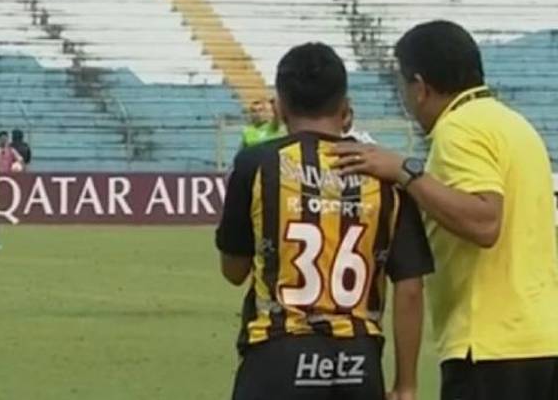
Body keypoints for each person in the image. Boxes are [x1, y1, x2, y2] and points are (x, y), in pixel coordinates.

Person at [333, 20, 558, 400]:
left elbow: (485, 222)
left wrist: (404, 171)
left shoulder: (459, 129)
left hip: (490, 346)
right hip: (543, 340)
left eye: (404, 86)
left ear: (420, 87)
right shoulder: (515, 125)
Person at [216, 42, 432, 400]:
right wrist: (405, 385)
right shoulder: (386, 173)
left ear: (280, 107)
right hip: (358, 362)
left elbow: (234, 270)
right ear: (345, 108)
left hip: (277, 356)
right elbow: (410, 288)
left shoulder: (256, 163)